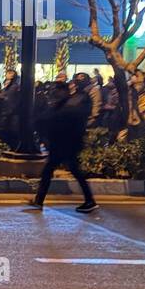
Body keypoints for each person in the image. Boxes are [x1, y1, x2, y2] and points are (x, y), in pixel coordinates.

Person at [29, 78, 98, 213]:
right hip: (59, 145)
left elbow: (75, 128)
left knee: (62, 171)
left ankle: (40, 201)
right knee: (55, 171)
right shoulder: (59, 106)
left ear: (64, 92)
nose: (54, 94)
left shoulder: (70, 108)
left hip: (66, 146)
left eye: (56, 91)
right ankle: (39, 200)